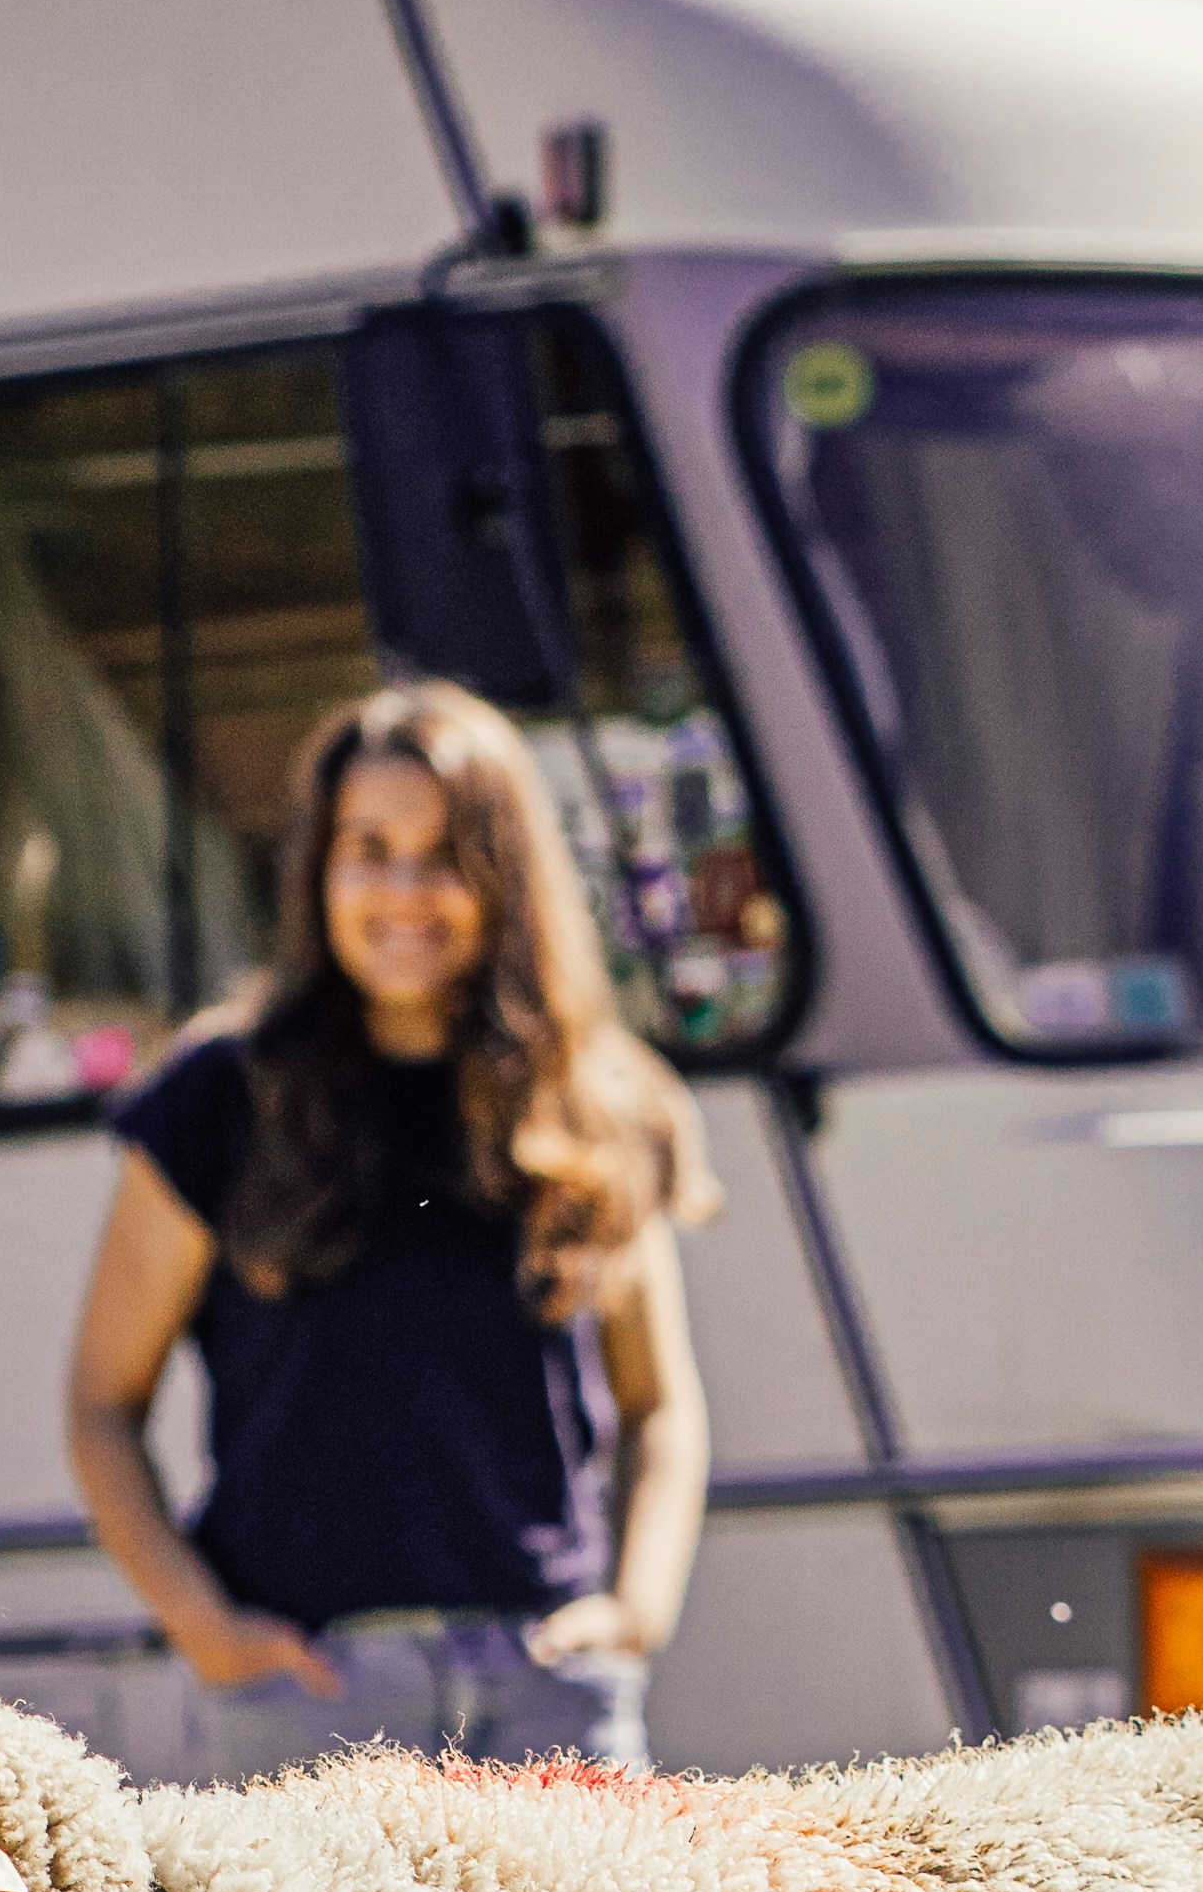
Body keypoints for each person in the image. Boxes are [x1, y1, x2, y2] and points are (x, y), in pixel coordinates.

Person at [64, 680, 715, 1774]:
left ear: (506, 872)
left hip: (545, 1696)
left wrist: (635, 1614)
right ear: (319, 869)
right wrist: (210, 1633)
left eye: (445, 852)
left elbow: (661, 1407)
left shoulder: (597, 1102)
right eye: (370, 848)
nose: (405, 890)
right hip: (303, 1701)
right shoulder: (220, 1098)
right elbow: (99, 1404)